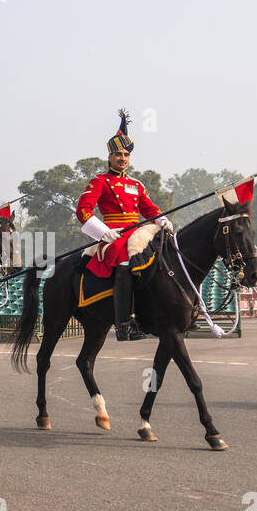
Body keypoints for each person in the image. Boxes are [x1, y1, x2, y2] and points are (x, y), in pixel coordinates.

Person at [75, 110, 172, 340]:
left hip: (138, 232)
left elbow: (149, 209)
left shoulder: (136, 184)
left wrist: (162, 219)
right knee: (126, 262)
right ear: (109, 157)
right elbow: (83, 210)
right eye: (118, 154)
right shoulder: (100, 181)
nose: (122, 158)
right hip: (115, 235)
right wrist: (103, 232)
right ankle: (124, 325)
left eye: (126, 155)